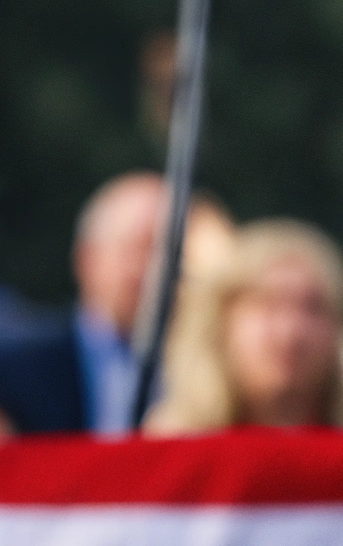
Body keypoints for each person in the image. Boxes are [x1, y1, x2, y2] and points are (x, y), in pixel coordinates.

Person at [0, 174, 232, 434]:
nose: (161, 270)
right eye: (142, 248)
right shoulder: (15, 370)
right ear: (87, 258)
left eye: (178, 253)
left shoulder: (223, 372)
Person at [145, 219, 343, 434]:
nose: (291, 331)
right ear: (220, 322)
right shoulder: (173, 446)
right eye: (268, 305)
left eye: (313, 308)